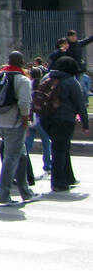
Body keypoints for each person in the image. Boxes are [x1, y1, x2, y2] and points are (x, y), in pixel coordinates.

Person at [0, 51, 35, 206]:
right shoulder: (22, 79)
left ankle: (25, 192)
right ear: (22, 62)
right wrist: (25, 120)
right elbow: (24, 103)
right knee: (12, 157)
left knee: (21, 155)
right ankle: (3, 194)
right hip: (15, 123)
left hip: (1, 121)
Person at [44, 56, 90, 193]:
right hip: (64, 120)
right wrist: (85, 124)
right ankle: (58, 183)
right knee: (59, 150)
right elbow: (80, 104)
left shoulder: (47, 77)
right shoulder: (71, 82)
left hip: (46, 119)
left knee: (62, 147)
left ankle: (68, 177)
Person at [24, 65, 54, 177]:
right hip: (40, 117)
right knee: (46, 143)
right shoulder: (42, 86)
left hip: (29, 116)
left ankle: (23, 163)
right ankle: (48, 166)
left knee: (27, 143)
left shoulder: (27, 83)